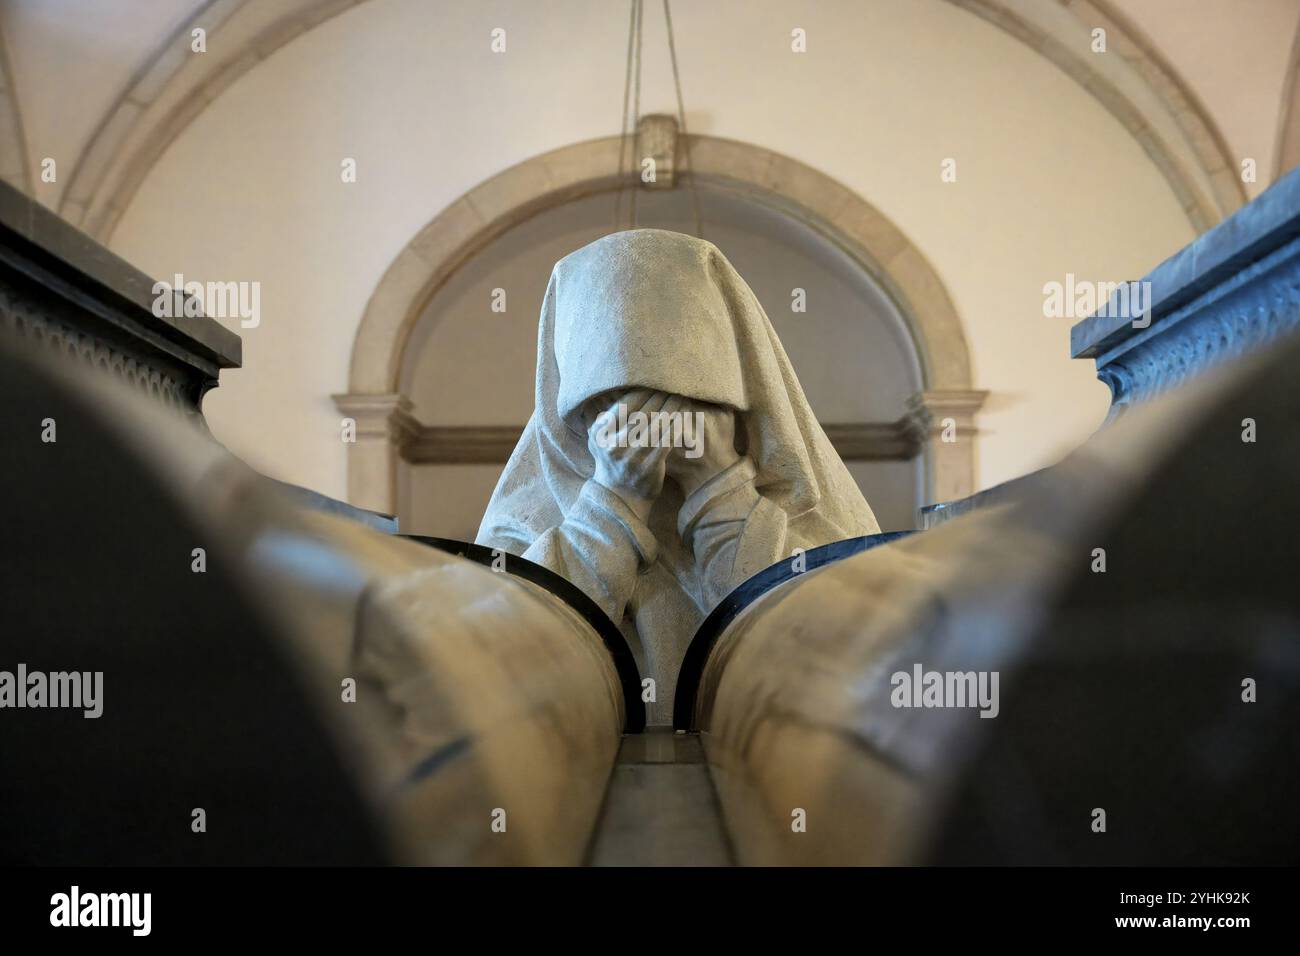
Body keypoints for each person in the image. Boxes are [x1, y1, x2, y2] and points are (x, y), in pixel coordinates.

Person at [477, 229, 879, 723]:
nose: (647, 430)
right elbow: (501, 665)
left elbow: (838, 668)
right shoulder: (526, 518)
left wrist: (721, 490)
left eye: (686, 401)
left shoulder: (814, 521)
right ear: (572, 414)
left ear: (735, 399)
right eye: (612, 405)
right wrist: (611, 503)